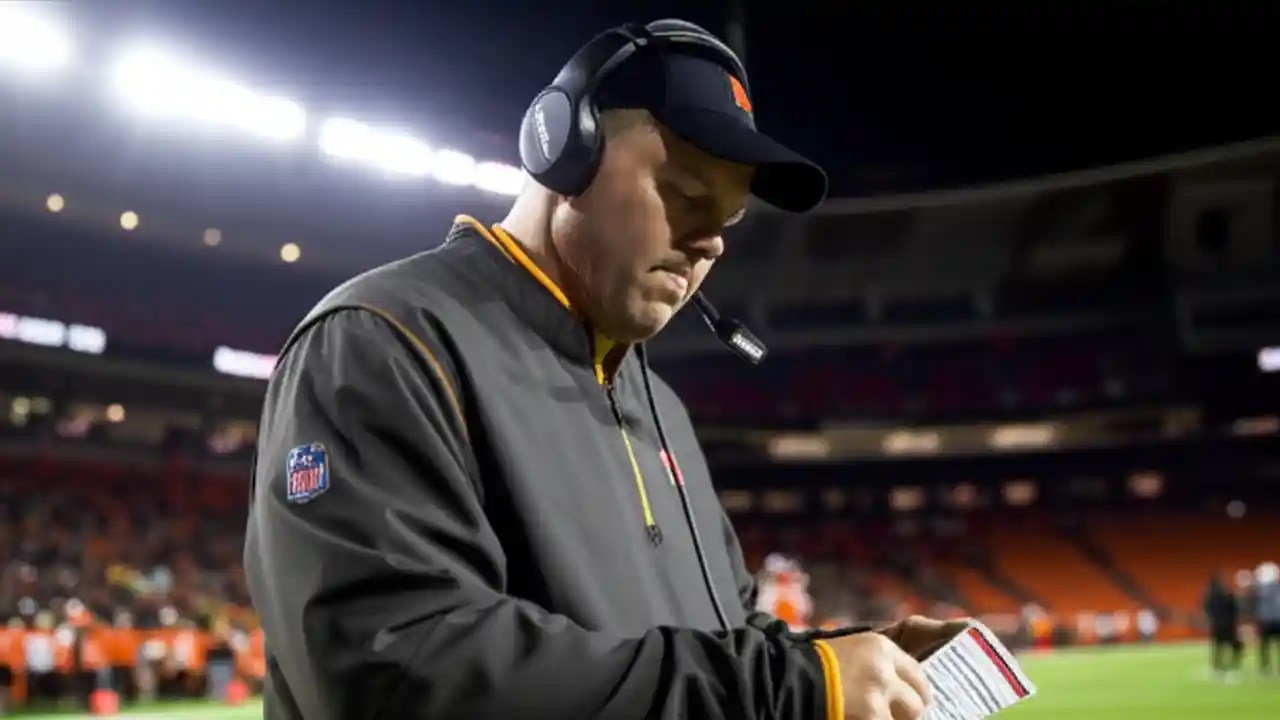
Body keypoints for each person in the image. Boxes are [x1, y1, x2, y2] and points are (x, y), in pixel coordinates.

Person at [245, 19, 961, 720]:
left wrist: (852, 658)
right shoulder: (382, 341)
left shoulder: (661, 408)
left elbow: (721, 638)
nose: (708, 242)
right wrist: (787, 690)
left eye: (727, 222)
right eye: (684, 196)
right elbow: (394, 670)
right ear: (566, 156)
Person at [1203, 572, 1242, 678]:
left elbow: (1207, 609)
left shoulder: (1211, 596)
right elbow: (1235, 610)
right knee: (1231, 645)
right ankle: (1226, 664)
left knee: (1219, 646)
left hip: (1219, 624)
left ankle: (1218, 665)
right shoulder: (1226, 595)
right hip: (1226, 624)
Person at [1254, 562, 1280, 674]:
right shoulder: (1273, 587)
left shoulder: (1260, 588)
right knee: (1266, 645)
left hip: (1267, 620)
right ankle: (1265, 665)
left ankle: (1265, 665)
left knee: (1265, 645)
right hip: (1272, 619)